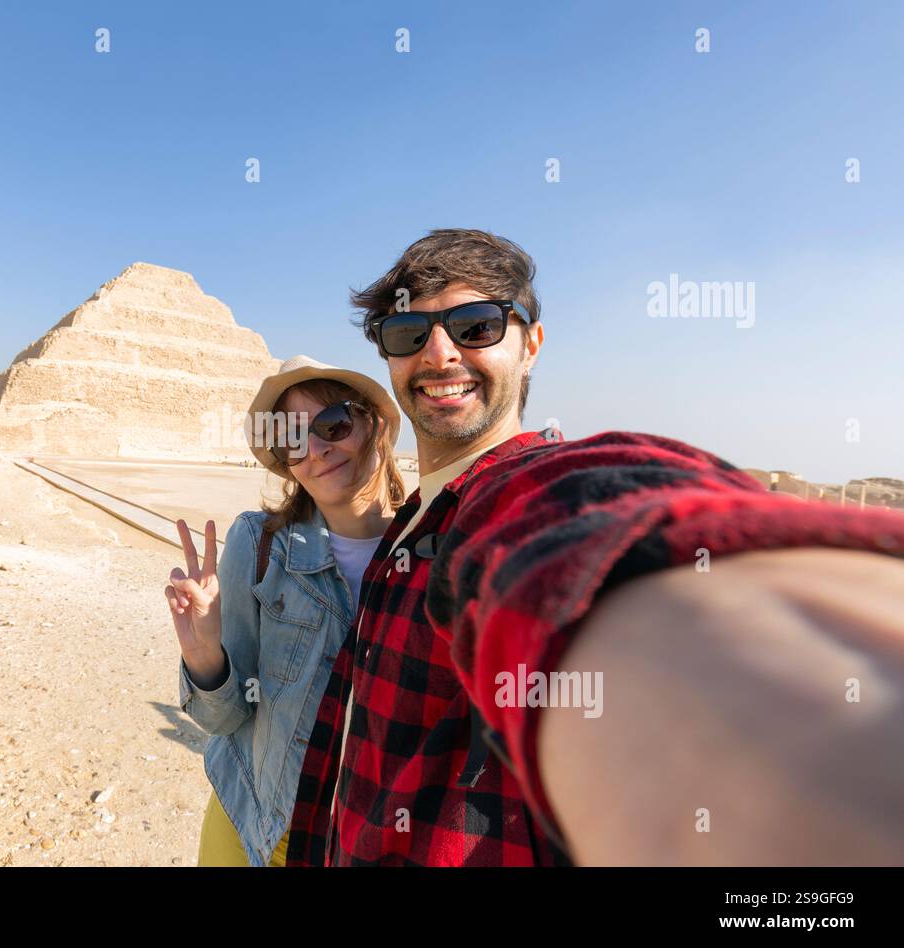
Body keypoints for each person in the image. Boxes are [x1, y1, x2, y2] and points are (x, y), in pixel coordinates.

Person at [287, 228, 904, 866]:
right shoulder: (413, 516)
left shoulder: (514, 494)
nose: (439, 354)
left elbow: (591, 513)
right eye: (409, 333)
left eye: (475, 326)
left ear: (531, 345)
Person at [164, 356, 407, 865]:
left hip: (367, 839)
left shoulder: (431, 547)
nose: (316, 450)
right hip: (257, 819)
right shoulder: (259, 544)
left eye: (333, 424)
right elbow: (225, 718)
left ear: (376, 425)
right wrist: (206, 656)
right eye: (293, 441)